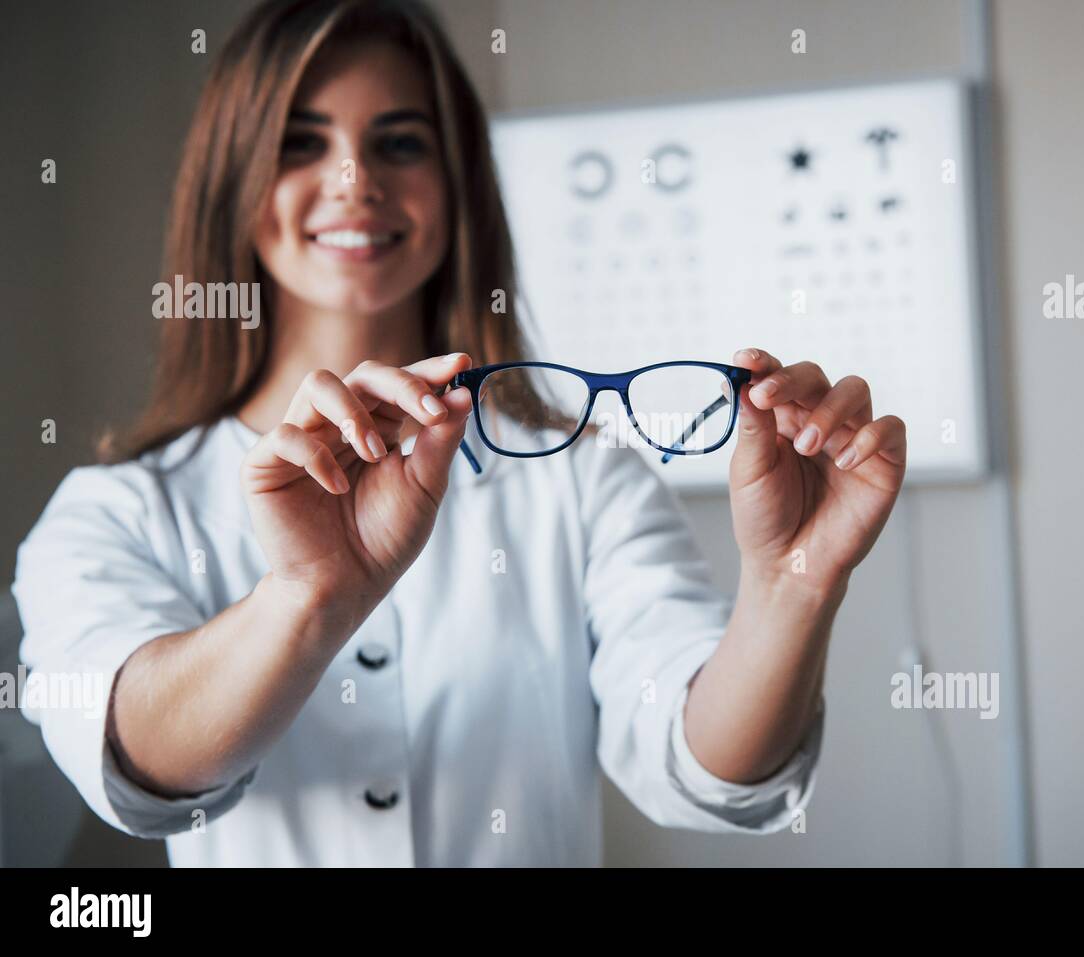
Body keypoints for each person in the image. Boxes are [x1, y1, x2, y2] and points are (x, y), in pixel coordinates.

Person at [12, 0, 906, 867]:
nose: (355, 180)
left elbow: (706, 760)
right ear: (231, 183)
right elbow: (139, 762)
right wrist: (306, 598)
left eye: (401, 142)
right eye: (299, 141)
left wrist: (792, 588)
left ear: (458, 185)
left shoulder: (588, 483)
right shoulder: (115, 511)